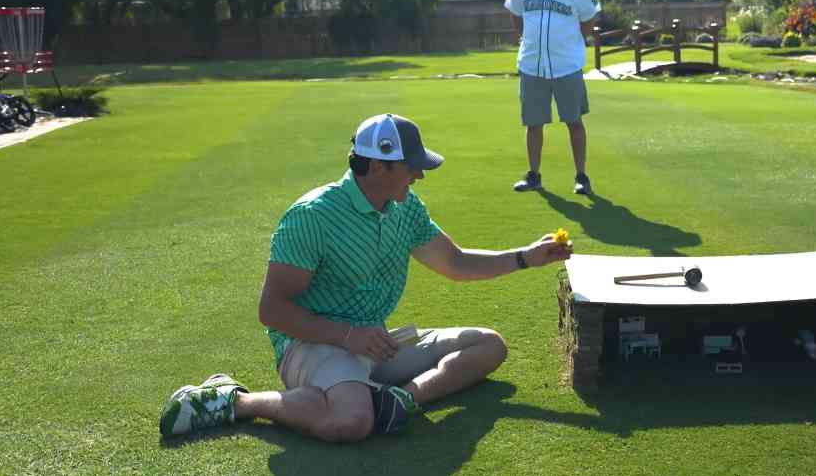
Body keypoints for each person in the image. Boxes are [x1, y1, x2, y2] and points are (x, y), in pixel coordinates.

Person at [159, 113, 573, 442]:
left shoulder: (404, 207)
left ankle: (400, 399)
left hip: (374, 344)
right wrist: (346, 336)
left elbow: (456, 262)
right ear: (377, 166)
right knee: (352, 422)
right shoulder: (312, 216)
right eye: (411, 167)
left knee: (487, 345)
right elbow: (272, 310)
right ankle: (239, 401)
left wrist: (525, 257)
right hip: (309, 345)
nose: (419, 175)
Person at [505, 0, 601, 195]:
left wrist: (569, 42)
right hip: (532, 65)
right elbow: (516, 15)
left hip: (566, 65)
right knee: (534, 124)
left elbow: (588, 20)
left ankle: (581, 176)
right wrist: (526, 39)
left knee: (574, 121)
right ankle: (533, 175)